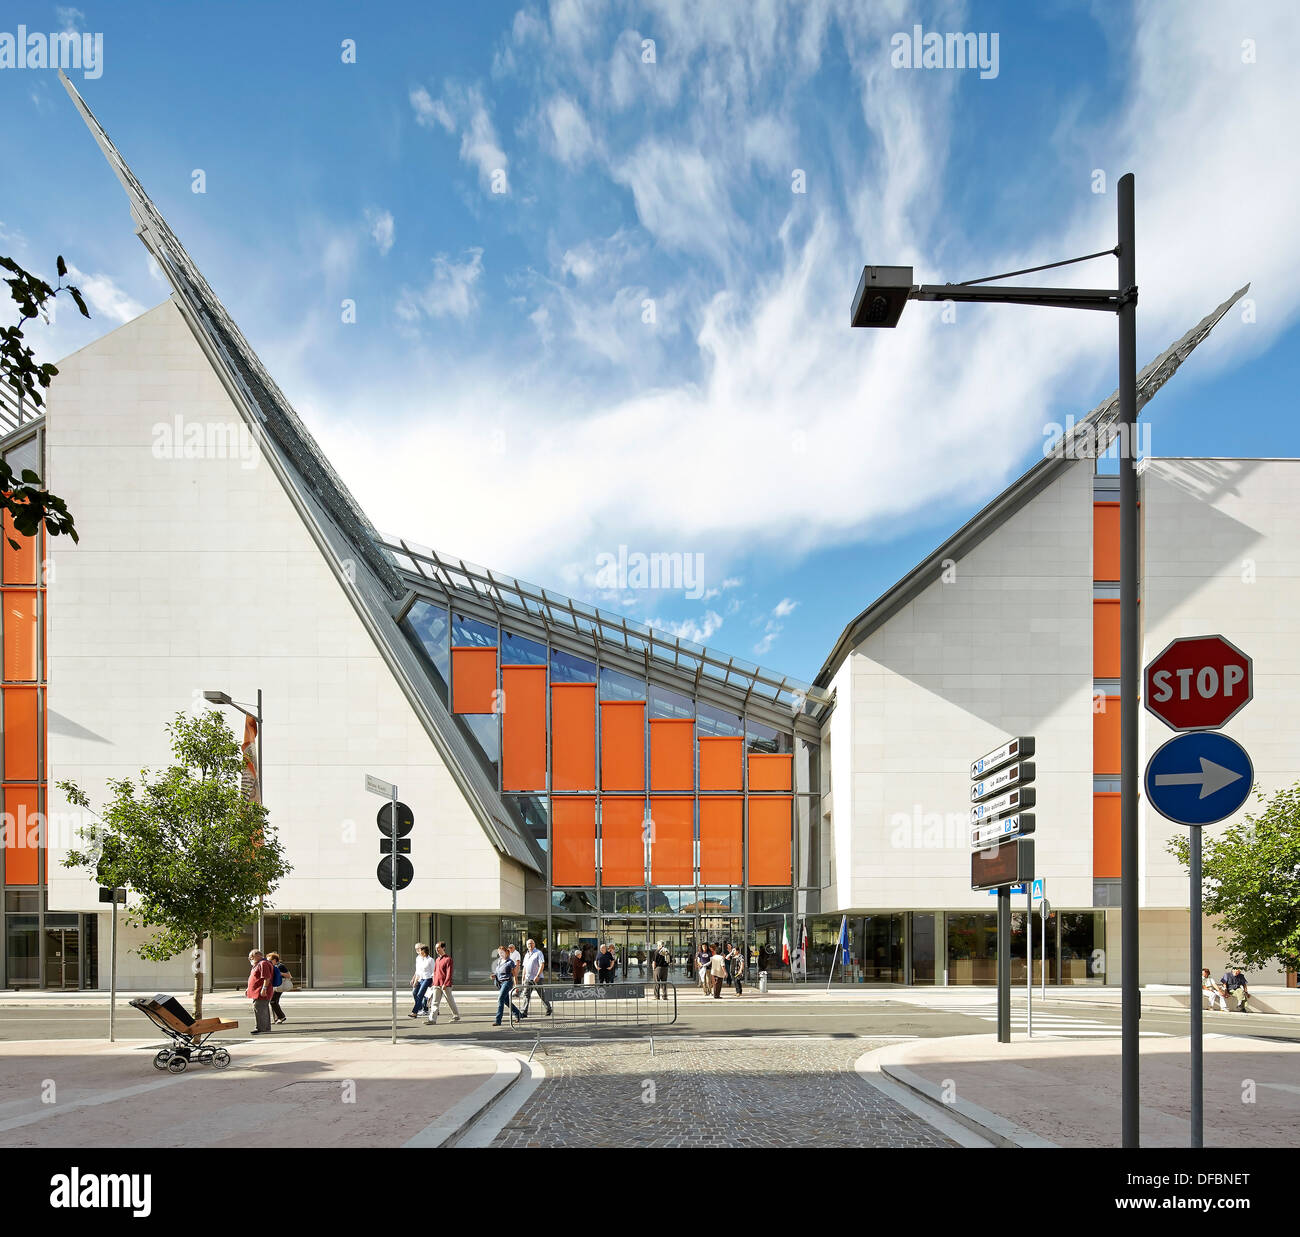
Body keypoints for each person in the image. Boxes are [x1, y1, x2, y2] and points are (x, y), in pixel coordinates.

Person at [427, 941, 461, 1024]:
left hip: (445, 985)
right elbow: (435, 972)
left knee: (450, 1001)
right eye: (436, 948)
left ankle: (456, 1016)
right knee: (434, 1002)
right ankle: (432, 1020)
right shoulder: (437, 959)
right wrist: (433, 983)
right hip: (437, 984)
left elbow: (449, 973)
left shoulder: (448, 959)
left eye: (438, 948)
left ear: (443, 948)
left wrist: (446, 983)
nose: (437, 949)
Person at [520, 937, 553, 1016]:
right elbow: (524, 967)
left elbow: (542, 964)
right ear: (526, 945)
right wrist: (523, 977)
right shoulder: (526, 954)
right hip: (528, 978)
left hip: (537, 978)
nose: (530, 945)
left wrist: (537, 975)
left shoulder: (538, 953)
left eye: (531, 943)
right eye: (528, 944)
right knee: (526, 995)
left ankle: (548, 1008)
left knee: (542, 995)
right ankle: (524, 1012)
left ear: (534, 944)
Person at [493, 945, 525, 1026]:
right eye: (499, 953)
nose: (501, 954)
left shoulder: (510, 962)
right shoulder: (499, 961)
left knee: (500, 999)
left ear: (506, 953)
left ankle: (498, 1020)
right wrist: (494, 975)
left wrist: (516, 986)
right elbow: (498, 972)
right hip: (500, 983)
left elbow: (514, 974)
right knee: (506, 1001)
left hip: (507, 982)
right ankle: (518, 1014)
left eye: (502, 952)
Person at [246, 949, 274, 1034]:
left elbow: (267, 977)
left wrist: (264, 989)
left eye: (251, 957)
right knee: (262, 1008)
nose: (250, 959)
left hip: (261, 991)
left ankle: (261, 1028)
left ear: (257, 955)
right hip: (257, 991)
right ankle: (265, 1027)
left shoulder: (263, 964)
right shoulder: (258, 964)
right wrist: (248, 988)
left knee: (259, 1008)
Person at [409, 943, 435, 1018]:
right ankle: (420, 1008)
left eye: (420, 951)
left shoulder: (430, 960)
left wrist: (433, 983)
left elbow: (433, 972)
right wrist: (415, 980)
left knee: (420, 995)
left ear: (425, 951)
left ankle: (415, 1012)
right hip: (420, 979)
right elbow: (418, 971)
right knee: (415, 993)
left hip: (427, 979)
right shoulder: (419, 959)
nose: (419, 952)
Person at [267, 950, 290, 1024]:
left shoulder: (280, 966)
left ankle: (281, 1017)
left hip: (280, 985)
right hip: (274, 986)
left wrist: (279, 973)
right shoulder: (272, 966)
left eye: (269, 960)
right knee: (274, 1001)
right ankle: (276, 1019)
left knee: (273, 1001)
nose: (268, 962)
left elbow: (289, 976)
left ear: (274, 960)